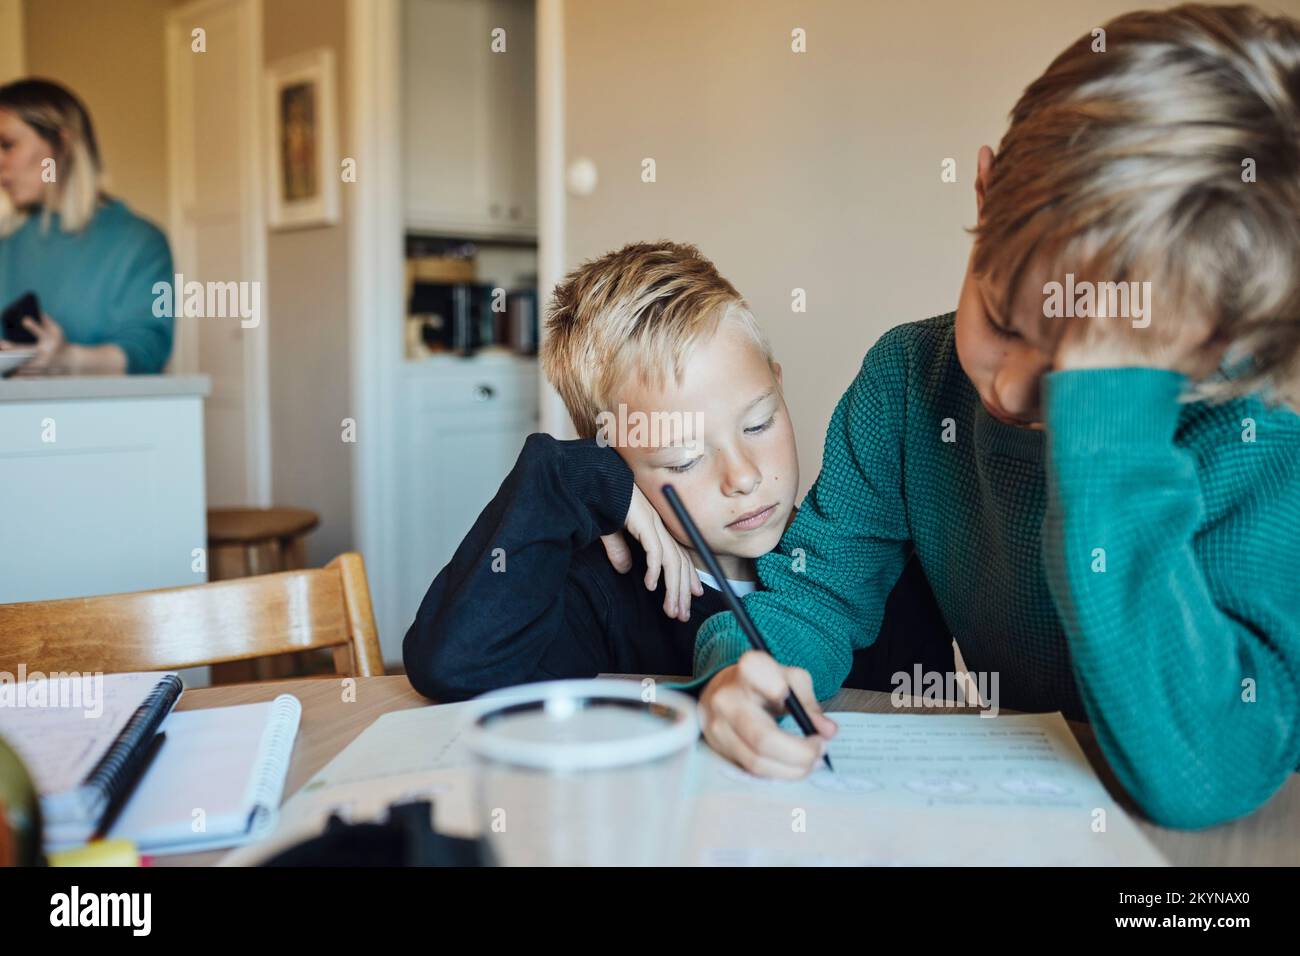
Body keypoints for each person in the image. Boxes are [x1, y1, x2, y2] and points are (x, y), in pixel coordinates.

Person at [692, 4, 1300, 828]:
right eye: (1004, 322)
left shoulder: (1259, 431)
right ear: (984, 193)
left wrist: (1108, 433)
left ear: (1212, 346)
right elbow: (813, 595)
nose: (1011, 392)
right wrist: (742, 668)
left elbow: (1204, 777)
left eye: (1086, 381)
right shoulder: (909, 379)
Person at [403, 240, 952, 702]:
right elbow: (456, 669)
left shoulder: (866, 559)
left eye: (758, 425)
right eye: (684, 459)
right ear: (612, 463)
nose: (742, 476)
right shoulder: (601, 595)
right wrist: (567, 476)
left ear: (779, 386)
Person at [0, 78, 173, 374]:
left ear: (62, 145)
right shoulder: (8, 242)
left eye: (7, 144)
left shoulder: (139, 243)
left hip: (109, 418)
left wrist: (68, 359)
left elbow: (147, 350)